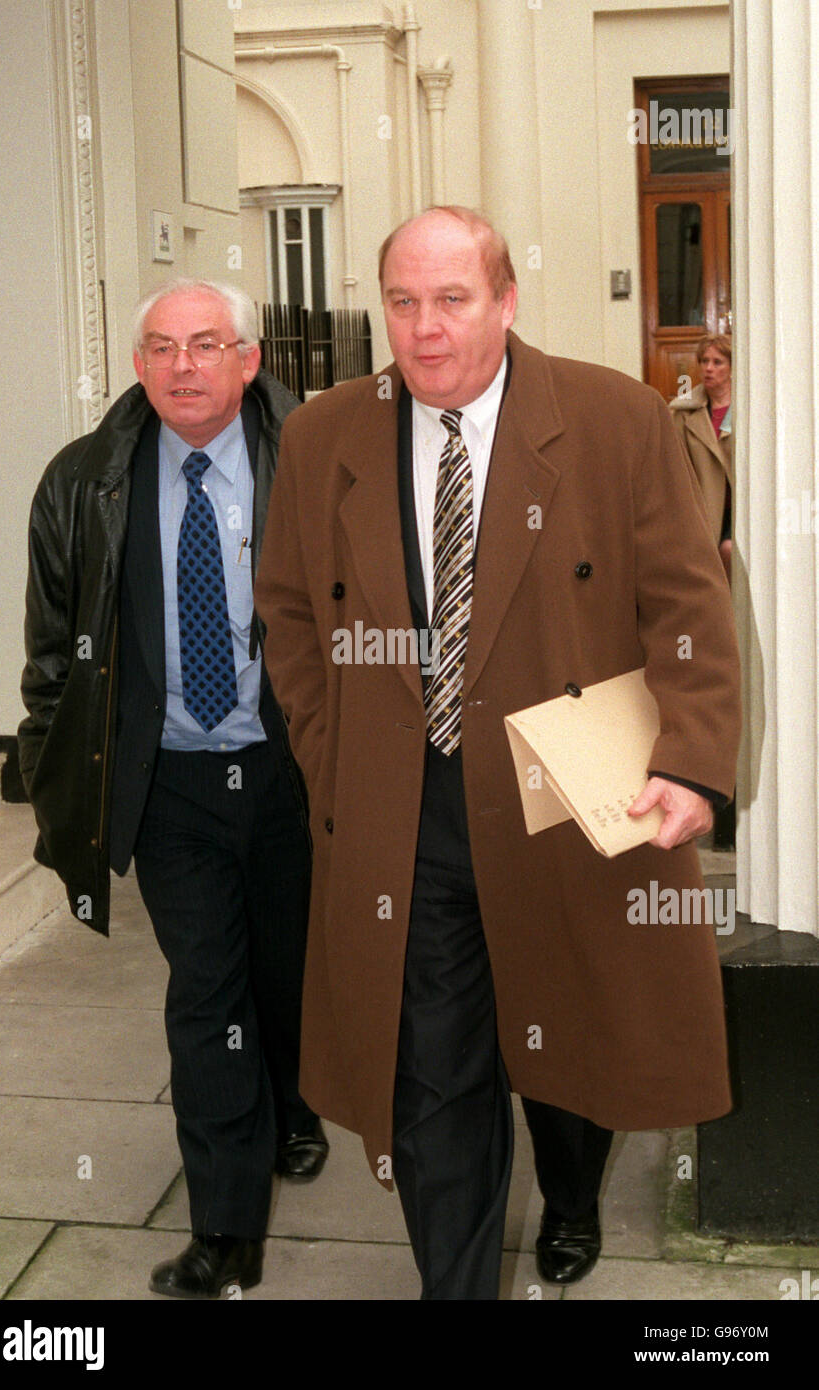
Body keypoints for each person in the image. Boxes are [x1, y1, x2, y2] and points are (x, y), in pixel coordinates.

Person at [254, 207, 741, 1301]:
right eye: (403, 302)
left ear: (506, 302)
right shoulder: (326, 434)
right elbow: (288, 614)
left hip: (562, 794)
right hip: (406, 811)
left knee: (568, 1037)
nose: (424, 329)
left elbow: (686, 606)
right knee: (432, 1074)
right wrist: (332, 760)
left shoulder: (613, 420)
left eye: (452, 300)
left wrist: (690, 758)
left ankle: (569, 1197)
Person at [19, 278, 328, 1300]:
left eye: (205, 344)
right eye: (161, 346)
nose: (182, 365)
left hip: (289, 771)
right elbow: (52, 660)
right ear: (138, 363)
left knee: (286, 975)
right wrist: (59, 782)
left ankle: (292, 1103)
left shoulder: (316, 461)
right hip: (170, 785)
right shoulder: (83, 482)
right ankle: (225, 1232)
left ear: (249, 359)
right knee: (206, 991)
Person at [668, 334, 733, 581]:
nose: (708, 368)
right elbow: (675, 464)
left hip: (741, 506)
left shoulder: (748, 406)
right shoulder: (684, 410)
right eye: (704, 361)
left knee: (729, 551)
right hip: (704, 508)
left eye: (717, 362)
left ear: (731, 367)